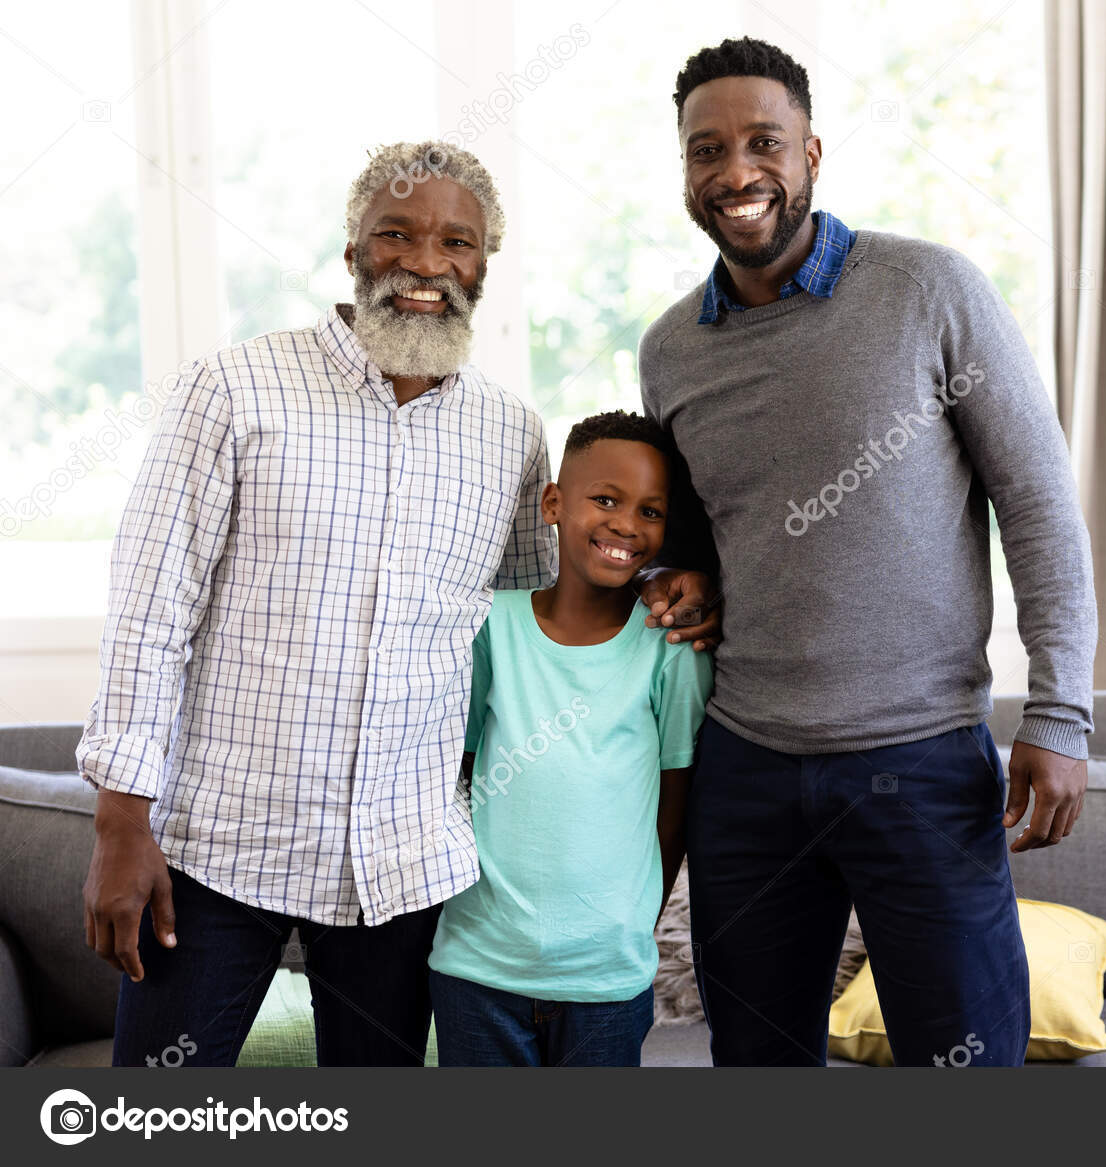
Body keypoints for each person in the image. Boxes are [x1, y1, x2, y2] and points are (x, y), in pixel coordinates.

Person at [78, 142, 717, 1068]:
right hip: (221, 847)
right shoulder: (231, 389)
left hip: (403, 865)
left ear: (483, 267)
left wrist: (666, 578)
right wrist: (120, 819)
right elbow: (150, 608)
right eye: (396, 234)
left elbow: (541, 611)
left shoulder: (509, 432)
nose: (425, 263)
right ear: (352, 252)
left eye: (456, 241)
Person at [638, 39, 1099, 1067]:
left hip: (923, 762)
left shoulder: (929, 289)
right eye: (707, 150)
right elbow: (703, 542)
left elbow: (1037, 505)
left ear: (810, 153)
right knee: (758, 1075)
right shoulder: (670, 351)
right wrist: (676, 578)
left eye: (764, 143)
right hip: (744, 770)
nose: (736, 171)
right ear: (685, 170)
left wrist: (1061, 712)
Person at [428, 411, 713, 1066]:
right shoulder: (490, 626)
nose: (626, 525)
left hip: (606, 979)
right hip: (477, 967)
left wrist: (628, 926)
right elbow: (452, 772)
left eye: (650, 511)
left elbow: (675, 806)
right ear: (554, 503)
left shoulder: (670, 647)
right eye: (605, 500)